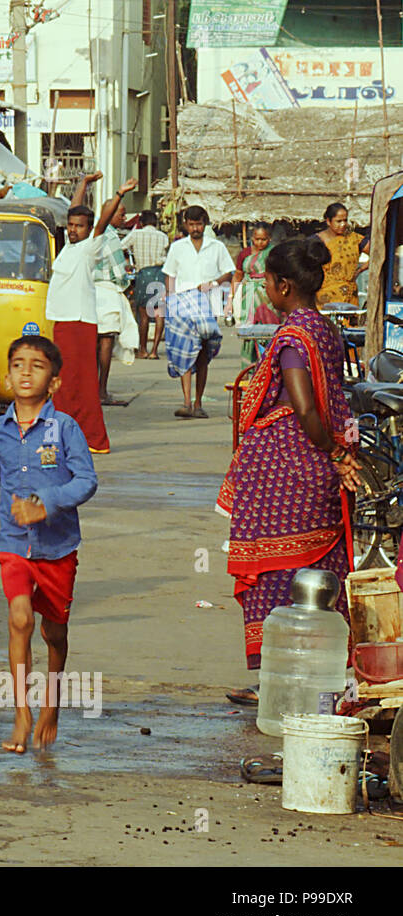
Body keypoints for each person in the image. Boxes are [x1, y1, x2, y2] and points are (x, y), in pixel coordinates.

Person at [217, 238, 361, 706]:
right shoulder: (325, 329)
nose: (264, 290)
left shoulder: (292, 338)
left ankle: (279, 680)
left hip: (290, 475)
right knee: (319, 572)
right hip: (311, 469)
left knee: (280, 577)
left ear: (282, 285)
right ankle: (320, 674)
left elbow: (303, 405)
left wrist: (332, 453)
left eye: (266, 283)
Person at [0, 335, 98, 753]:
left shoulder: (65, 428)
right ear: (7, 374)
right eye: (18, 364)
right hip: (12, 542)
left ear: (55, 382)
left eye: (37, 365)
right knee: (20, 619)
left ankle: (52, 703)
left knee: (54, 633)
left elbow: (86, 481)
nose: (26, 372)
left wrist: (47, 504)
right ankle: (21, 713)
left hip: (58, 547)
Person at [44, 170, 139, 454]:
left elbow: (103, 221)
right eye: (71, 225)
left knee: (80, 386)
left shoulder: (90, 247)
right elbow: (75, 208)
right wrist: (83, 184)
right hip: (63, 322)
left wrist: (120, 194)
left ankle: (94, 440)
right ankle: (70, 440)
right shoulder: (68, 247)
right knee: (62, 385)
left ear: (89, 230)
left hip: (79, 323)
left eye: (79, 227)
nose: (74, 230)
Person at [162, 205, 232, 419]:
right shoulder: (178, 247)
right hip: (182, 306)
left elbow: (228, 272)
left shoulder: (217, 246)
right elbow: (170, 275)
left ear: (205, 223)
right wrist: (170, 299)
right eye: (191, 224)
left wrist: (213, 283)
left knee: (202, 354)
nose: (195, 228)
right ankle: (186, 402)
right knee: (184, 351)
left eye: (199, 224)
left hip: (208, 305)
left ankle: (198, 403)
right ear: (186, 224)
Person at [91, 202, 136, 406]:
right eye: (122, 213)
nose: (124, 218)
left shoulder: (93, 232)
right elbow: (119, 273)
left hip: (90, 292)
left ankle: (92, 389)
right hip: (107, 292)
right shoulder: (111, 238)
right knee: (106, 341)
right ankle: (101, 391)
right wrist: (125, 285)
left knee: (93, 343)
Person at [121, 209, 169, 359]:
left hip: (143, 274)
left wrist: (129, 262)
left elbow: (121, 246)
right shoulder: (163, 236)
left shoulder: (136, 234)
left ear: (141, 223)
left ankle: (143, 349)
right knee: (159, 313)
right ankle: (154, 350)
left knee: (143, 315)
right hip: (160, 274)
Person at [230, 223, 279, 365]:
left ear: (269, 239)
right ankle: (249, 367)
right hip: (249, 295)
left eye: (263, 239)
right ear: (252, 238)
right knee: (249, 333)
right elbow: (238, 275)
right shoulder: (245, 254)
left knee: (270, 331)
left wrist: (272, 282)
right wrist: (231, 298)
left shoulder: (274, 253)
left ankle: (270, 365)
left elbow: (281, 273)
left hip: (268, 296)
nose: (260, 243)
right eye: (257, 239)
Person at [314, 202, 369, 309]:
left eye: (345, 220)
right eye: (338, 221)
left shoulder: (354, 239)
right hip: (324, 298)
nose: (343, 224)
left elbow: (378, 254)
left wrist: (360, 270)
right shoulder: (316, 241)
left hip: (349, 298)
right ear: (328, 221)